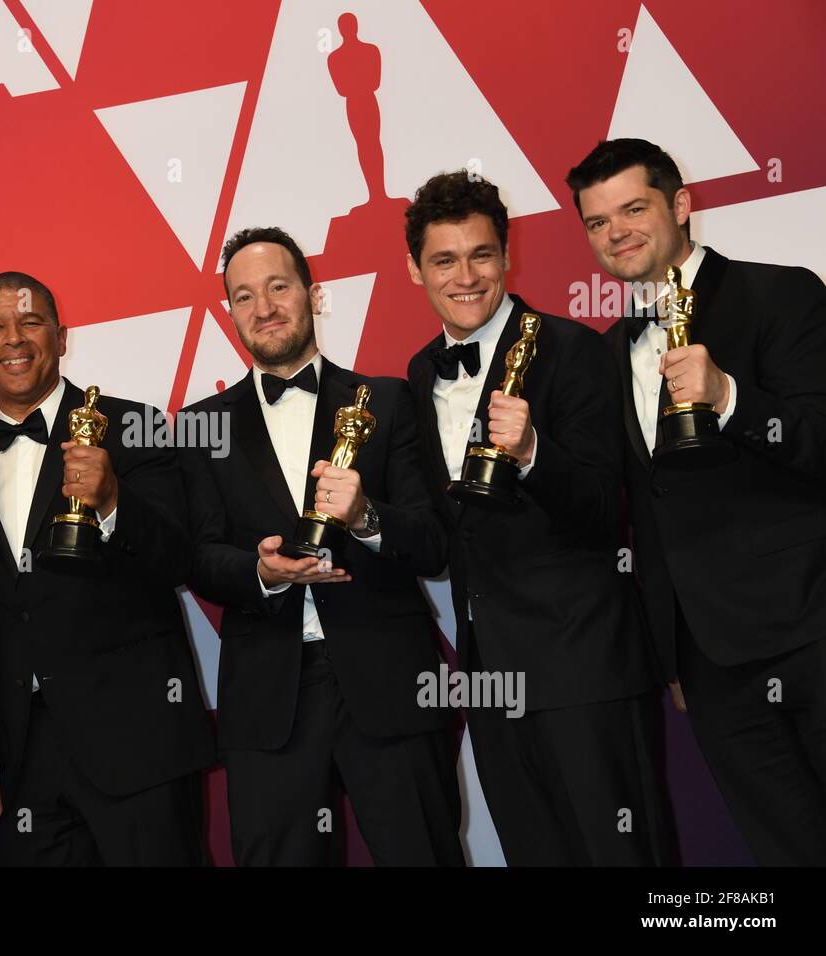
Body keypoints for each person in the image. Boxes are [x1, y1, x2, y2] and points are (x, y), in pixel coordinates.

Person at [404, 171, 676, 865]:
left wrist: (531, 452)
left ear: (506, 257)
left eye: (482, 255)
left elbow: (603, 510)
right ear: (415, 271)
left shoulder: (572, 348)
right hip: (490, 677)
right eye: (444, 260)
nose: (466, 277)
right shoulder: (416, 375)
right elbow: (442, 536)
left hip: (582, 666)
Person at [567, 138, 826, 864]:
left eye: (633, 208)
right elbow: (644, 513)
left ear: (681, 206)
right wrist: (671, 649)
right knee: (787, 848)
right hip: (710, 664)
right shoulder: (607, 352)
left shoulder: (781, 293)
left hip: (811, 627)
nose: (615, 231)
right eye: (596, 222)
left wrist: (731, 398)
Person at [180, 226, 463, 866]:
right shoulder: (201, 428)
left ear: (313, 294)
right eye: (245, 296)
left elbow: (434, 544)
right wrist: (261, 571)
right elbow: (197, 557)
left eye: (279, 286)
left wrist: (367, 516)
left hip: (392, 685)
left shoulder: (387, 401)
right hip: (268, 701)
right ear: (230, 311)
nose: (265, 307)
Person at [0, 270, 214, 865]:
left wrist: (114, 502)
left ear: (62, 336)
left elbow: (179, 557)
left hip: (137, 743)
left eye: (31, 322)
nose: (14, 339)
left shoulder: (133, 425)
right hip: (22, 761)